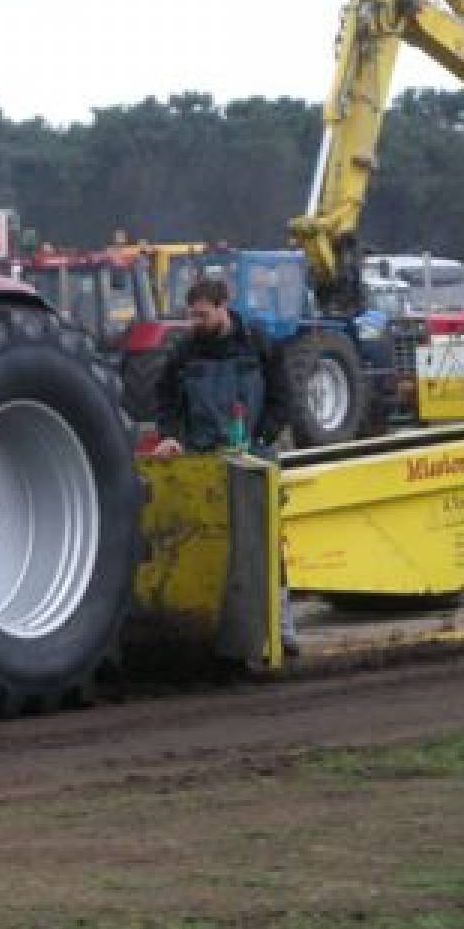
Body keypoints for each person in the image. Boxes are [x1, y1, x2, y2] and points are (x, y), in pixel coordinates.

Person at [149, 277, 300, 655]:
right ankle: (217, 631)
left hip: (254, 458)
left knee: (264, 543)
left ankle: (281, 628)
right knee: (209, 544)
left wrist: (262, 436)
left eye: (202, 316)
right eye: (192, 317)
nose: (196, 324)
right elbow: (165, 402)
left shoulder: (260, 344)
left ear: (223, 306)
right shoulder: (184, 354)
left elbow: (284, 399)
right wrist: (171, 436)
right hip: (203, 462)